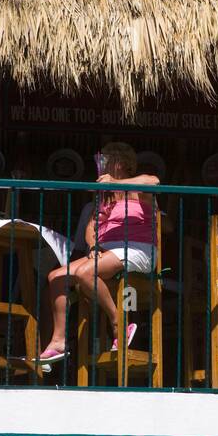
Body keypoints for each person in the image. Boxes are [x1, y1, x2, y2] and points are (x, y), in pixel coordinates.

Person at [41, 142, 160, 363]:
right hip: (107, 253)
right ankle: (58, 341)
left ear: (121, 163)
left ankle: (118, 324)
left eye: (106, 160)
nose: (101, 166)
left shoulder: (137, 189)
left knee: (85, 273)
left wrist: (117, 183)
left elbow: (154, 181)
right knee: (55, 277)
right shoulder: (105, 196)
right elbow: (91, 227)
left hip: (137, 249)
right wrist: (94, 246)